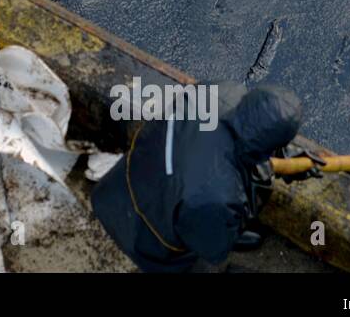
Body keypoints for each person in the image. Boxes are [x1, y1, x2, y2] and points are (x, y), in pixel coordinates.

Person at [90, 83, 306, 272]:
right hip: (143, 237)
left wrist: (277, 154)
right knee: (209, 254)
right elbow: (212, 250)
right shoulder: (219, 196)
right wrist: (262, 181)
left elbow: (234, 142)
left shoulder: (216, 92)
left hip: (116, 188)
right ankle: (230, 232)